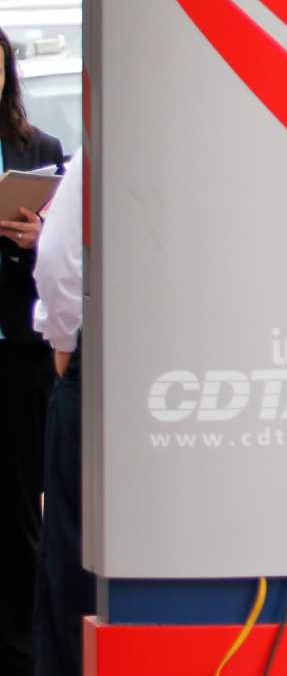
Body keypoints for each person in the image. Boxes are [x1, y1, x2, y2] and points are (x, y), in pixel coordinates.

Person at [0, 29, 63, 676]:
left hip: (18, 350)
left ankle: (21, 647)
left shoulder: (36, 148)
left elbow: (63, 249)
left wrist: (35, 237)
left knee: (22, 505)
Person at [28, 171, 84, 676]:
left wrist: (64, 342)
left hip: (101, 362)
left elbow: (57, 257)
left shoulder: (104, 147)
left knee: (73, 548)